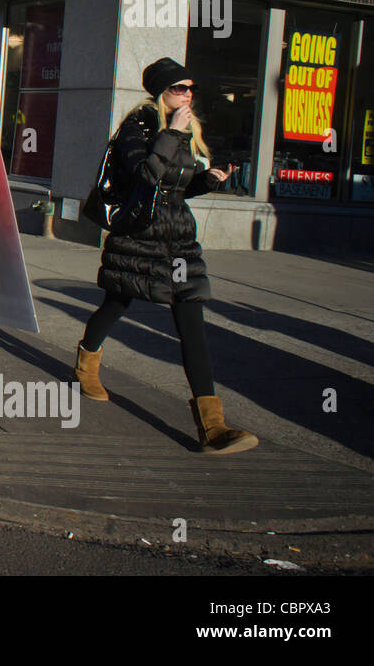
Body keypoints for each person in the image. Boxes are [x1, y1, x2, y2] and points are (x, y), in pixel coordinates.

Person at [75, 57, 256, 453]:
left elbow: (174, 188)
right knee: (116, 302)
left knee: (192, 323)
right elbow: (144, 177)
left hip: (178, 241)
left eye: (191, 88)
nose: (187, 95)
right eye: (179, 88)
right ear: (160, 92)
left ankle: (212, 427)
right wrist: (172, 133)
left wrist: (207, 181)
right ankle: (86, 364)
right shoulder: (137, 125)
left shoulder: (183, 128)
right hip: (139, 234)